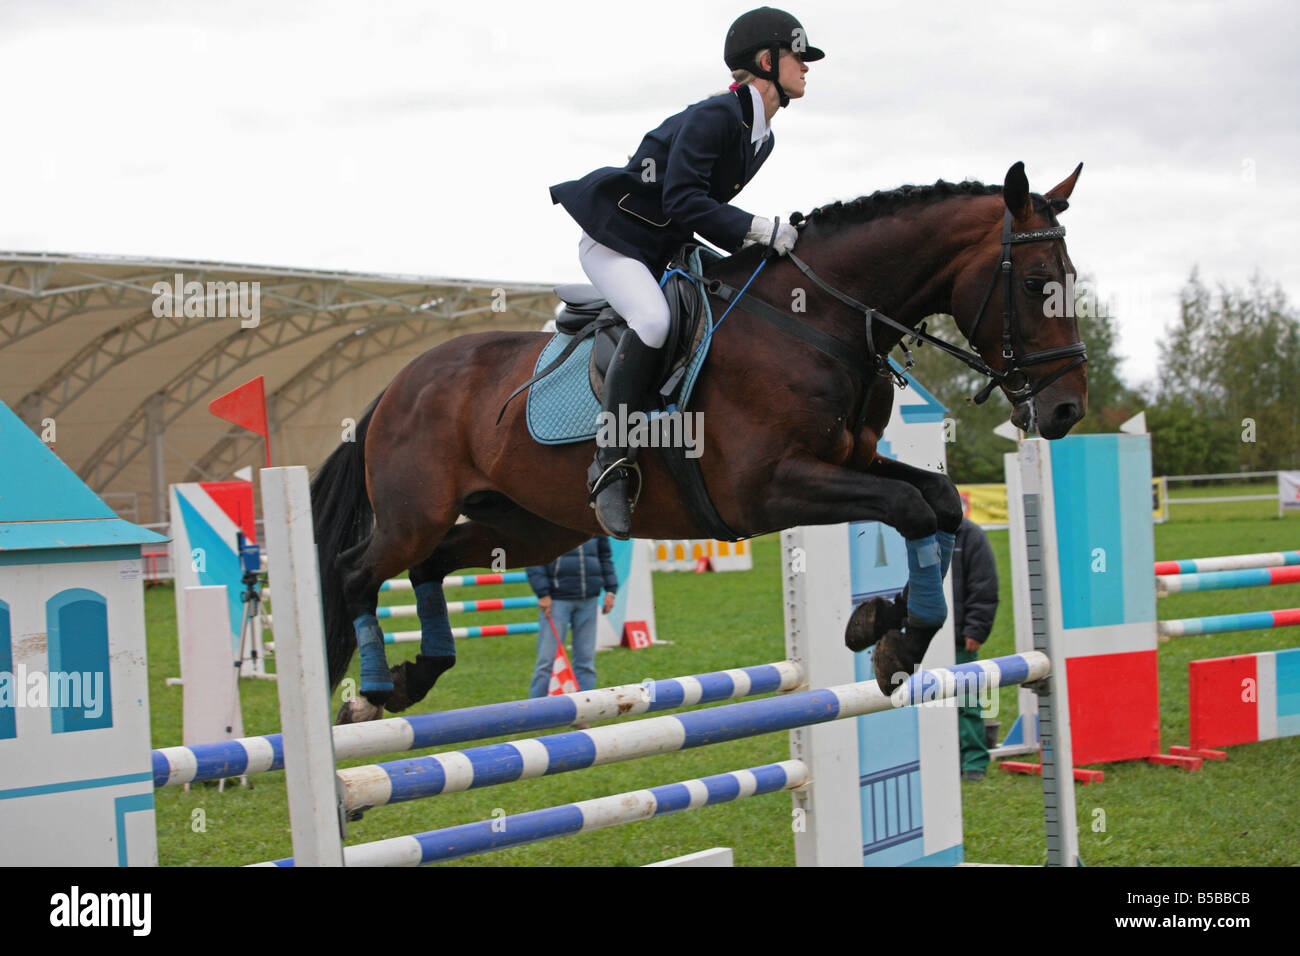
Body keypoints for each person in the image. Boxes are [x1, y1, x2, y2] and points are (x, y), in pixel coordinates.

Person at [549, 7, 824, 539]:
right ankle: (610, 462)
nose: (806, 68)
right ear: (767, 62)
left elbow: (697, 212)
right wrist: (756, 228)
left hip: (664, 245)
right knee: (651, 321)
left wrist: (761, 243)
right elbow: (680, 197)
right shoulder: (716, 116)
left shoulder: (762, 136)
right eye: (798, 57)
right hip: (617, 241)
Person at [525, 537, 619, 700]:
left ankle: (584, 711)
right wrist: (543, 592)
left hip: (589, 600)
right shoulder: (548, 520)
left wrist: (610, 590)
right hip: (556, 601)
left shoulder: (596, 522)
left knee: (586, 661)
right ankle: (535, 712)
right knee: (547, 661)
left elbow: (605, 557)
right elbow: (534, 558)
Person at [951, 516, 999, 781]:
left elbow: (984, 586)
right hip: (923, 638)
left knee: (967, 702)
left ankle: (974, 763)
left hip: (959, 637)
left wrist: (975, 629)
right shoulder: (914, 530)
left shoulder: (971, 536)